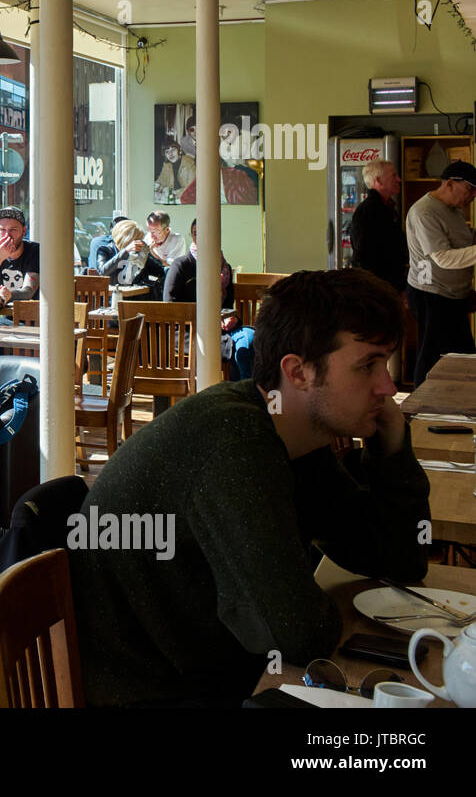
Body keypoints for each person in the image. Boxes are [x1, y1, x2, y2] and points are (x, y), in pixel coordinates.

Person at [70, 269, 430, 707]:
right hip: (157, 695)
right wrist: (301, 601)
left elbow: (398, 559)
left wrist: (390, 452)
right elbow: (297, 634)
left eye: (386, 362)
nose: (388, 386)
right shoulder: (234, 442)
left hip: (217, 679)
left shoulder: (293, 439)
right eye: (368, 365)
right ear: (297, 372)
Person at [405, 160, 476, 384]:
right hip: (432, 294)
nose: (473, 195)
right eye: (470, 189)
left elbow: (461, 241)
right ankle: (419, 412)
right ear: (450, 184)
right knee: (432, 358)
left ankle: (458, 409)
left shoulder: (453, 210)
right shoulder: (424, 212)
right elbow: (442, 257)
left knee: (463, 357)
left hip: (454, 295)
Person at [165, 219, 252, 378]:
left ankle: (241, 392)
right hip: (189, 332)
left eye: (206, 234)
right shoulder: (181, 265)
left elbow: (228, 306)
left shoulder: (224, 267)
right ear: (192, 236)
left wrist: (232, 319)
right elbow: (170, 308)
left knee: (250, 339)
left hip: (219, 329)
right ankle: (240, 394)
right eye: (197, 234)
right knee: (241, 347)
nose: (201, 238)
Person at [350, 159, 407, 292]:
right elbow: (364, 256)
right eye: (393, 176)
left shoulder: (386, 207)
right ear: (378, 181)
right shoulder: (368, 211)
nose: (399, 179)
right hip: (377, 288)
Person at [0, 206, 40, 302]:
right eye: (2, 230)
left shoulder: (34, 250)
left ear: (24, 231)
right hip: (4, 313)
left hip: (33, 314)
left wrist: (5, 295)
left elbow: (28, 291)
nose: (7, 235)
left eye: (13, 229)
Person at [98, 217, 166, 299]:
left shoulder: (138, 251)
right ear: (124, 238)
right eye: (134, 239)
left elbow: (160, 271)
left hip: (136, 299)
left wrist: (148, 251)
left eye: (139, 239)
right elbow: (103, 272)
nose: (136, 242)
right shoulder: (105, 250)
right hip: (112, 298)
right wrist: (125, 251)